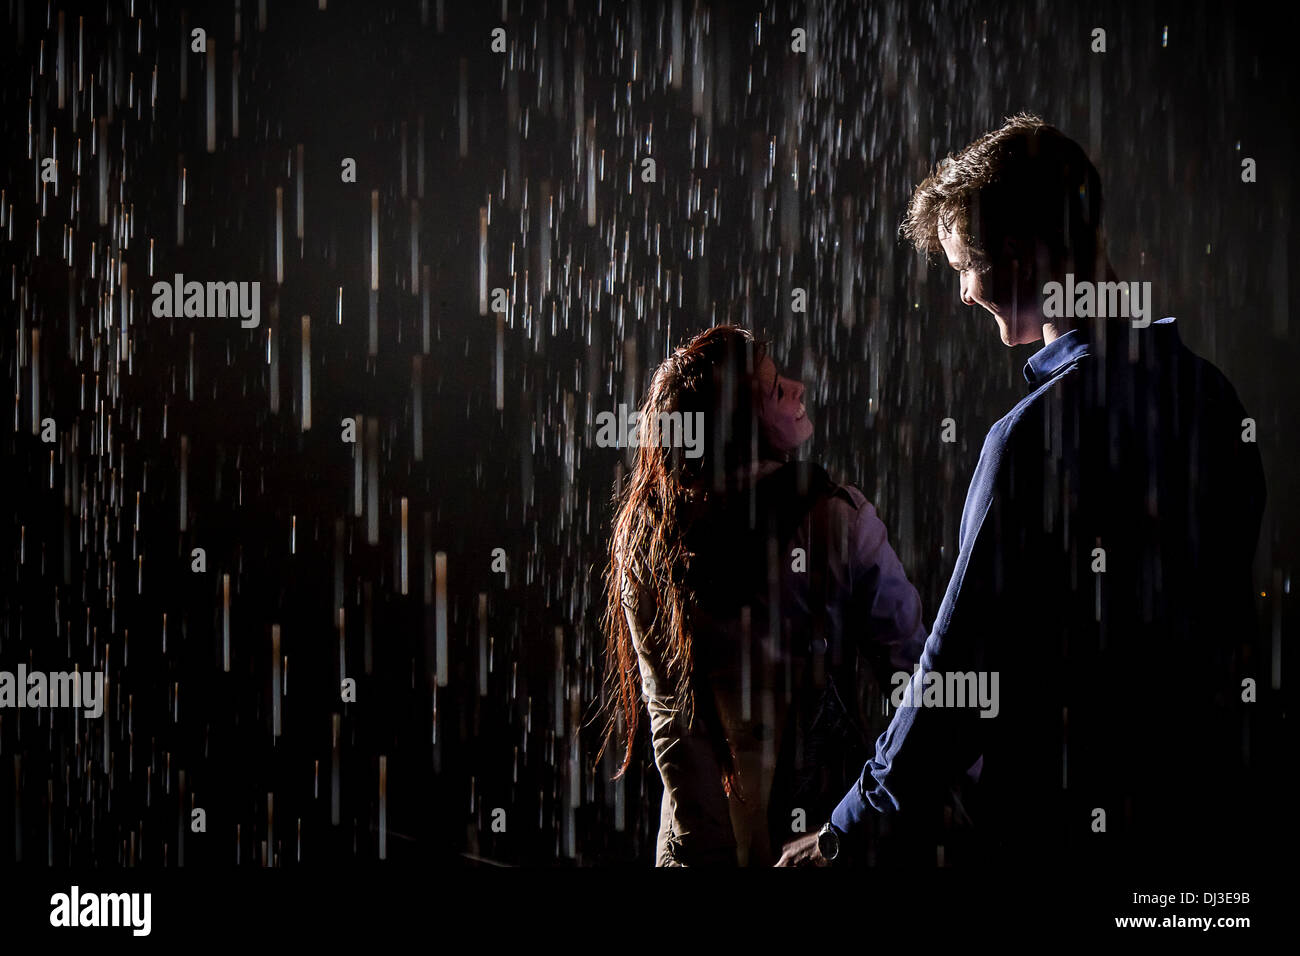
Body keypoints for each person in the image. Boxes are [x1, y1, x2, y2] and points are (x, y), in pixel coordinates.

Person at [782, 113, 1268, 868]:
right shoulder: (1214, 401)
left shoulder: (1030, 438)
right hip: (1211, 819)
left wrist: (848, 827)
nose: (965, 296)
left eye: (963, 271)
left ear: (1013, 257)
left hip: (1061, 829)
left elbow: (956, 672)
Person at [599, 325, 927, 866]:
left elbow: (674, 730)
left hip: (702, 839)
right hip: (816, 840)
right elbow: (916, 678)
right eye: (775, 390)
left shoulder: (649, 537)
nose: (797, 388)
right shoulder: (838, 524)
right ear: (737, 426)